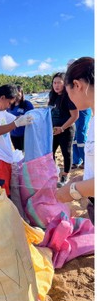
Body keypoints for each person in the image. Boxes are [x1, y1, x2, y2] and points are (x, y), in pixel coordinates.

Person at [55, 57, 94, 222]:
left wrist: (72, 190)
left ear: (77, 85)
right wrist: (83, 178)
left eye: (68, 91)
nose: (69, 98)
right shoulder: (93, 120)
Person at [0, 85, 33, 196]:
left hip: (5, 158)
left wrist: (26, 118)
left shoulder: (2, 112)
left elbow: (16, 119)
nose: (9, 106)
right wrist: (16, 124)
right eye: (9, 103)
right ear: (2, 97)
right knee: (0, 194)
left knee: (6, 191)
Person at [49, 72, 80, 186]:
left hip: (66, 130)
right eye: (54, 82)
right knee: (50, 152)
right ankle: (55, 172)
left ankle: (65, 175)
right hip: (53, 130)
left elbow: (75, 116)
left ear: (64, 83)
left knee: (66, 152)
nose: (56, 85)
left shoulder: (69, 97)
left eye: (59, 82)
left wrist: (62, 128)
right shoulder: (52, 96)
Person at [7, 85, 35, 152]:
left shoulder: (27, 104)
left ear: (22, 93)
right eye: (16, 93)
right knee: (18, 153)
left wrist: (20, 117)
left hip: (25, 134)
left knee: (26, 152)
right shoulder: (10, 105)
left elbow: (33, 116)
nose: (17, 95)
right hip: (13, 134)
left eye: (19, 92)